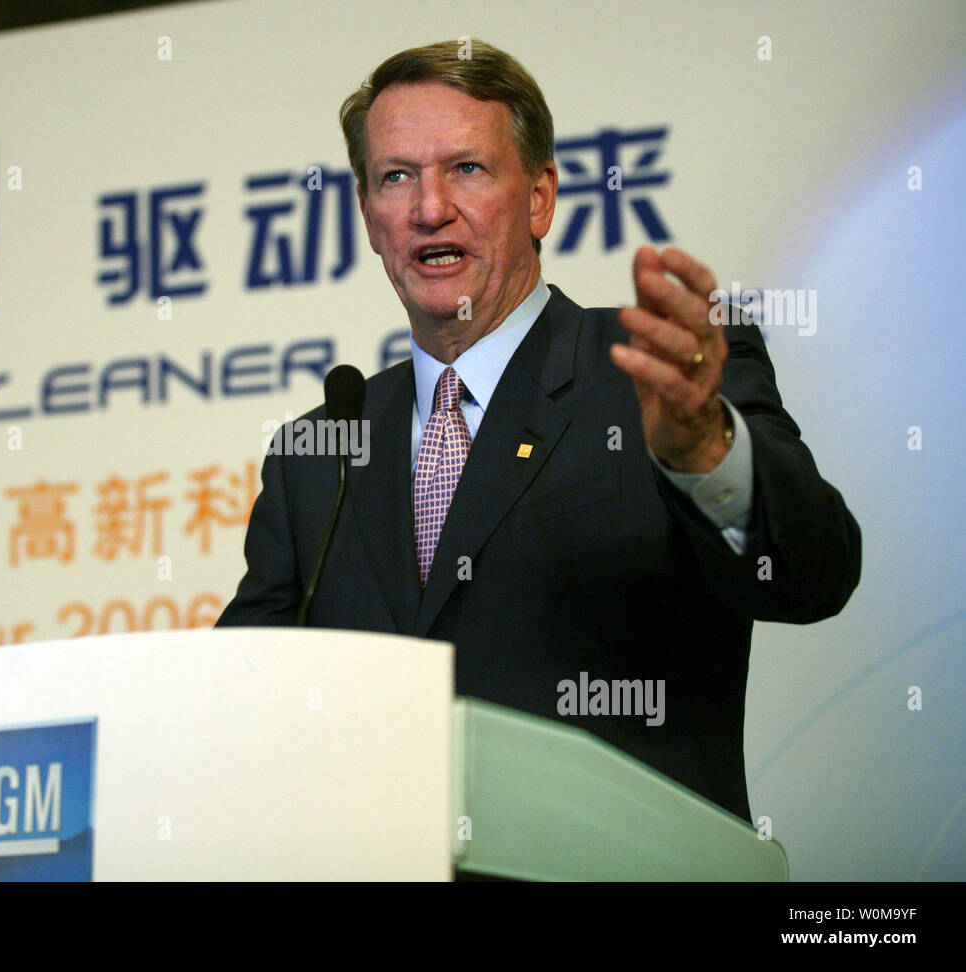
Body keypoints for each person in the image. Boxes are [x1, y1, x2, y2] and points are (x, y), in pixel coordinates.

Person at [216, 39, 860, 823]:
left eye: (468, 169)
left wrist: (706, 455)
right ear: (369, 219)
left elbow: (815, 574)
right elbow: (237, 698)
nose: (429, 208)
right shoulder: (318, 455)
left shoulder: (656, 378)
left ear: (540, 198)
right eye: (396, 178)